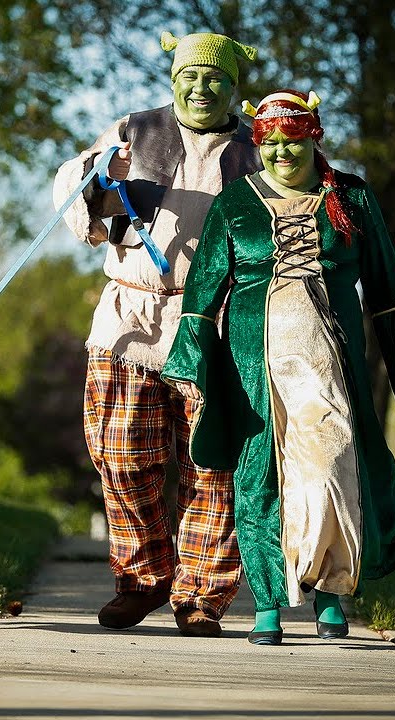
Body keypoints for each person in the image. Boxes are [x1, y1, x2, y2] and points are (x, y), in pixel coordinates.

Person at [160, 89, 395, 645]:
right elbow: (201, 293)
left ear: (314, 139)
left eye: (293, 143)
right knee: (259, 476)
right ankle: (267, 606)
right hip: (254, 372)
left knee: (335, 467)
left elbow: (389, 291)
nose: (282, 155)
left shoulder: (353, 199)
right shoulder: (234, 204)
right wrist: (192, 365)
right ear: (258, 144)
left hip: (332, 365)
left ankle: (332, 593)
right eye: (270, 145)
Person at [50, 31, 261, 638]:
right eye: (189, 76)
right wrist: (96, 173)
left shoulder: (259, 150)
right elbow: (72, 191)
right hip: (129, 320)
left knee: (216, 466)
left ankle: (200, 596)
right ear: (173, 80)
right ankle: (142, 578)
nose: (201, 88)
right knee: (120, 455)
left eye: (215, 78)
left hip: (217, 328)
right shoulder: (134, 130)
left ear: (233, 86)